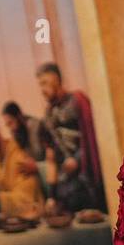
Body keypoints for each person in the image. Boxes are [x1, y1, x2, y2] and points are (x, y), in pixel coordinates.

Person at [35, 62, 106, 213]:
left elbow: (93, 136)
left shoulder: (77, 100)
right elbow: (51, 157)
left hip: (88, 178)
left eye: (44, 83)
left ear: (55, 79)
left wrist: (77, 159)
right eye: (39, 85)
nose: (42, 90)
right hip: (67, 185)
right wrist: (51, 196)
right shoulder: (48, 114)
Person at [0, 115, 41, 216]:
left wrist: (0, 199)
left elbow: (27, 196)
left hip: (33, 212)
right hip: (9, 218)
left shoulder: (18, 153)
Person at [1, 101, 50, 200]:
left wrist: (37, 167)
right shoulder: (17, 136)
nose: (11, 129)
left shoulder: (38, 127)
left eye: (11, 123)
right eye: (7, 125)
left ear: (19, 116)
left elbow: (54, 160)